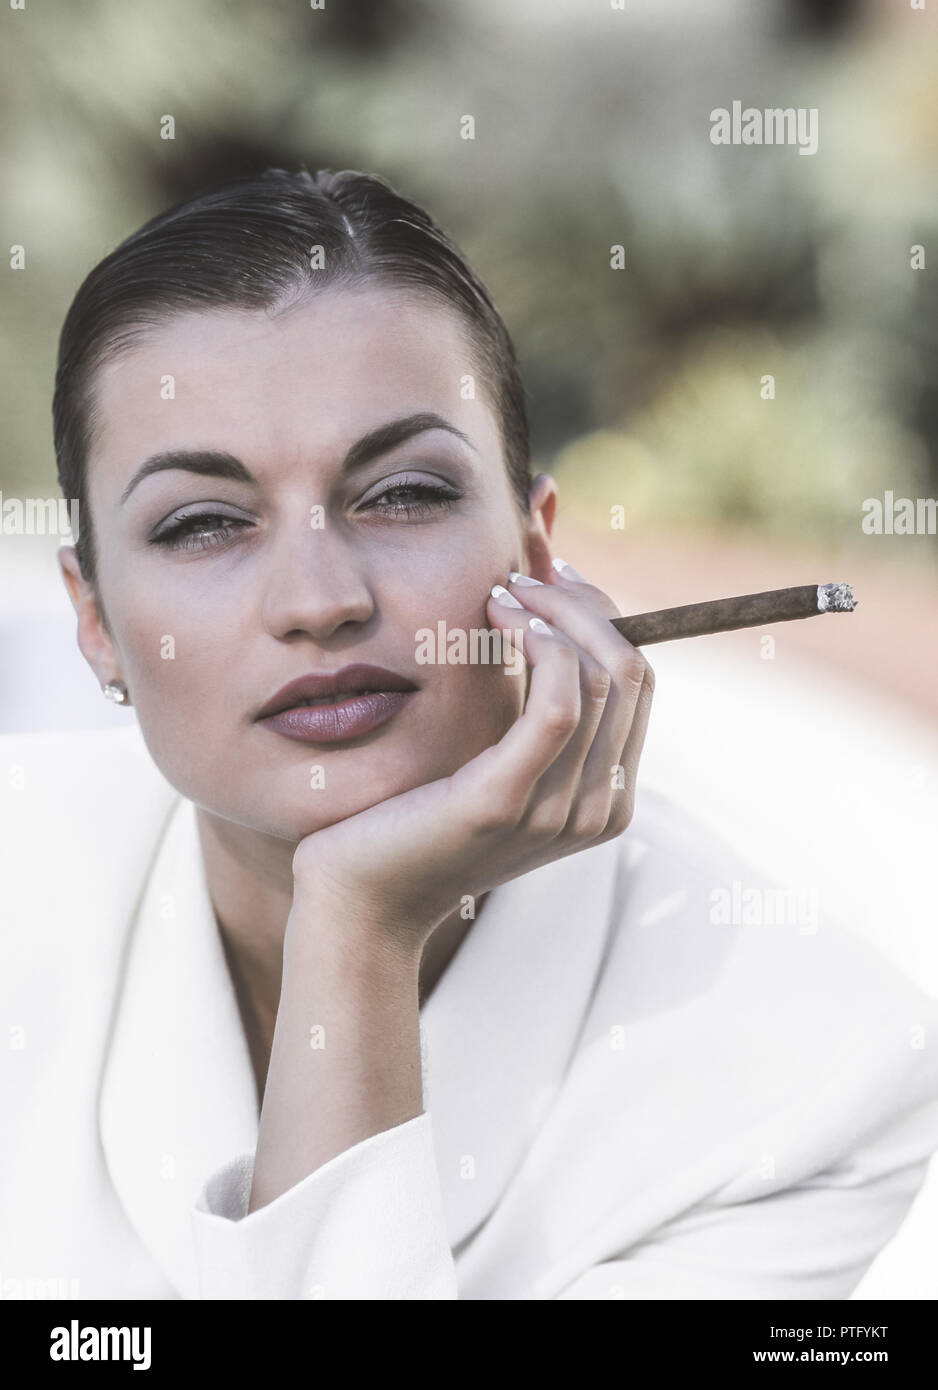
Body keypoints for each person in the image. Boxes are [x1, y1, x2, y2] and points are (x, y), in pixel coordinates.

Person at [1, 167, 936, 1300]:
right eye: (203, 522)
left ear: (536, 553)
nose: (319, 600)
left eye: (402, 494)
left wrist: (357, 931)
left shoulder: (815, 1073)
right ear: (95, 622)